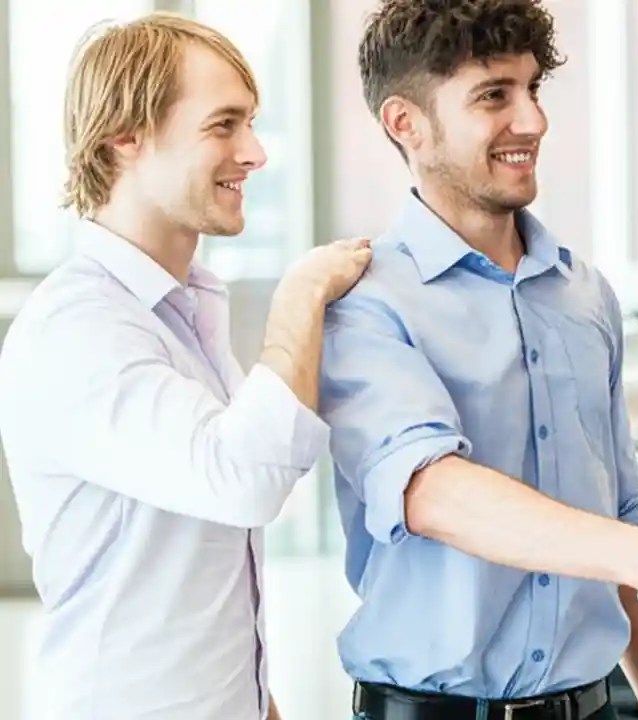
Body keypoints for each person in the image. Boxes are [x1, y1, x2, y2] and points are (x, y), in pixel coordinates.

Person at [316, 1, 638, 719]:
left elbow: (627, 529)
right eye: (493, 96)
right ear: (404, 123)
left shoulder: (584, 297)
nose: (533, 121)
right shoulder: (365, 303)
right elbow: (433, 493)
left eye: (533, 88)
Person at [0, 13, 371, 720]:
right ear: (125, 135)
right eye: (223, 125)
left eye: (251, 123)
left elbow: (196, 556)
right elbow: (243, 480)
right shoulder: (77, 329)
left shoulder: (181, 309)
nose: (255, 152)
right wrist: (300, 296)